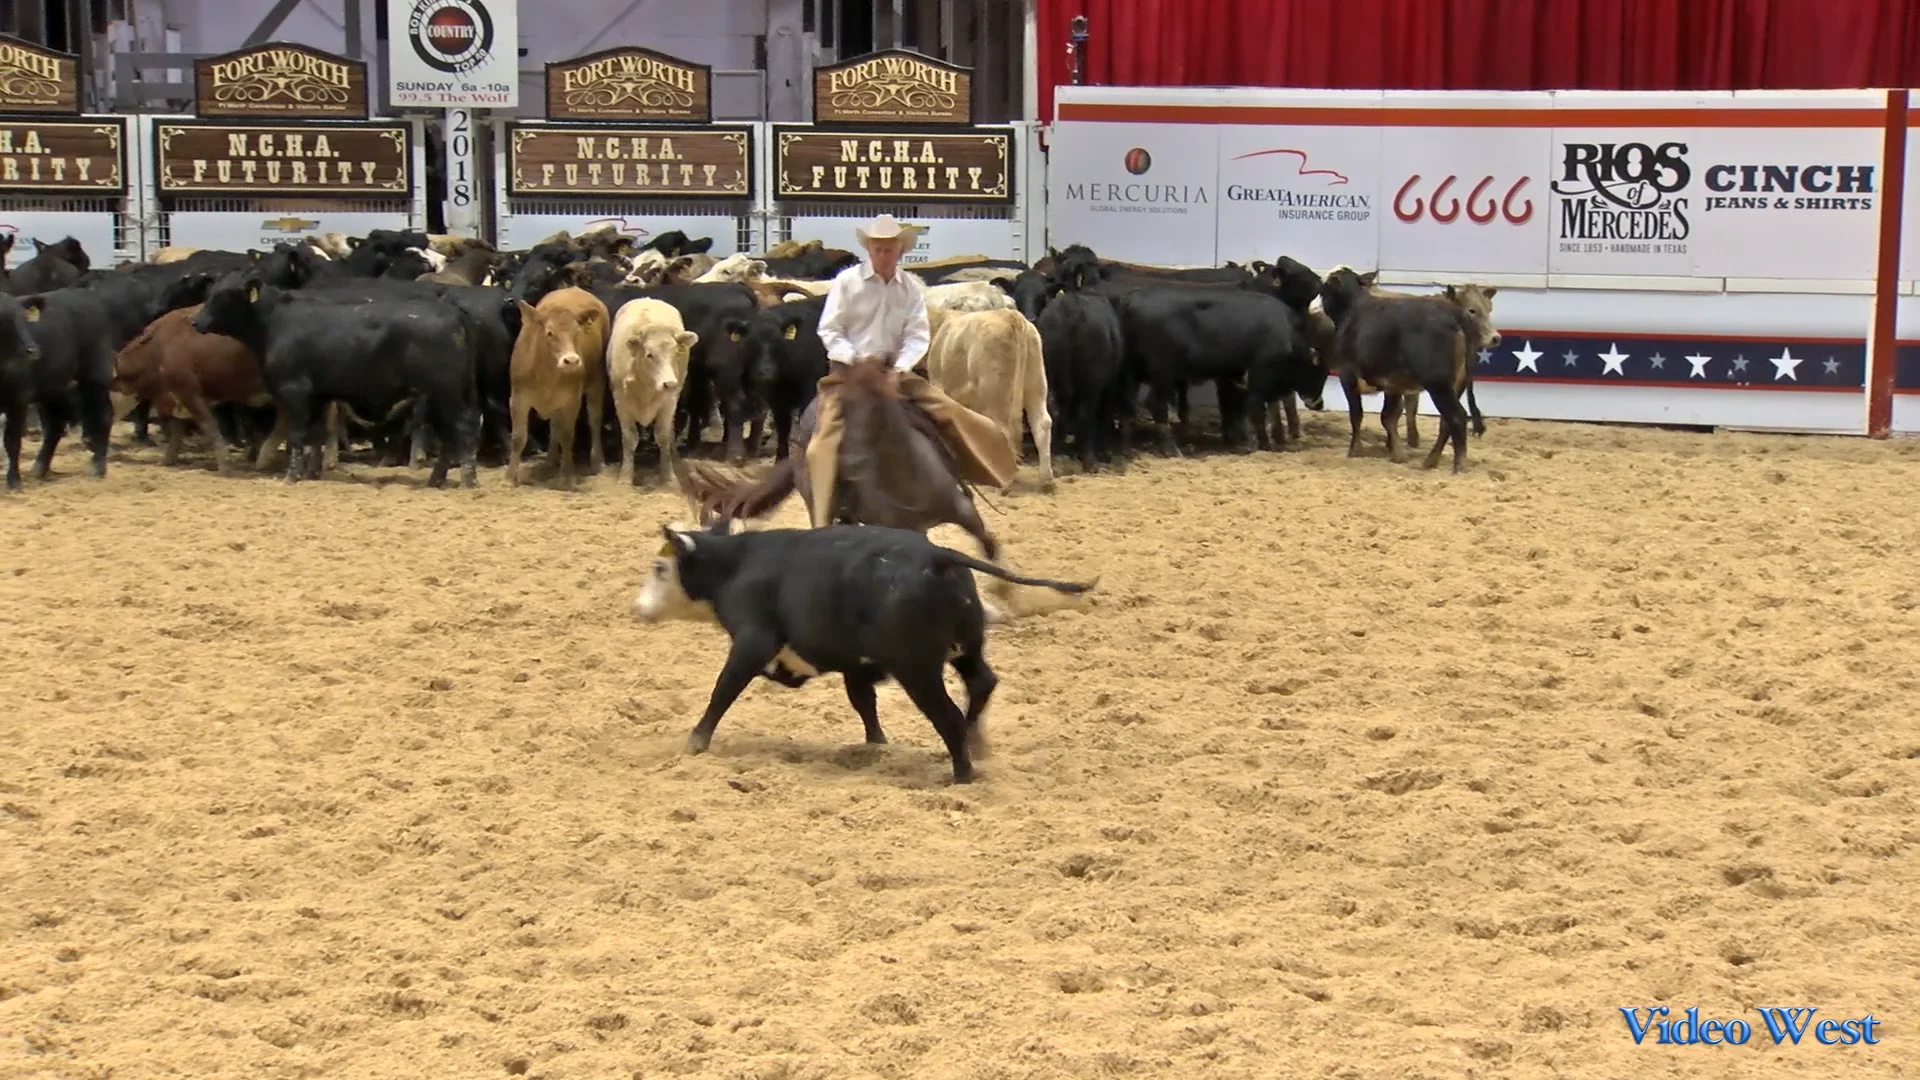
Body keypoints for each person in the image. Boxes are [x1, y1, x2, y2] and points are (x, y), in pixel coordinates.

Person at [805, 214, 1018, 529]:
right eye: (877, 248)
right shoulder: (847, 282)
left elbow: (918, 335)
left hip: (895, 372)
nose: (882, 254)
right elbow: (830, 330)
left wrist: (900, 367)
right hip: (848, 376)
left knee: (950, 411)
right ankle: (824, 521)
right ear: (869, 248)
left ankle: (972, 476)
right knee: (821, 443)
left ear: (899, 250)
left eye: (888, 248)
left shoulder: (910, 289)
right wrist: (856, 361)